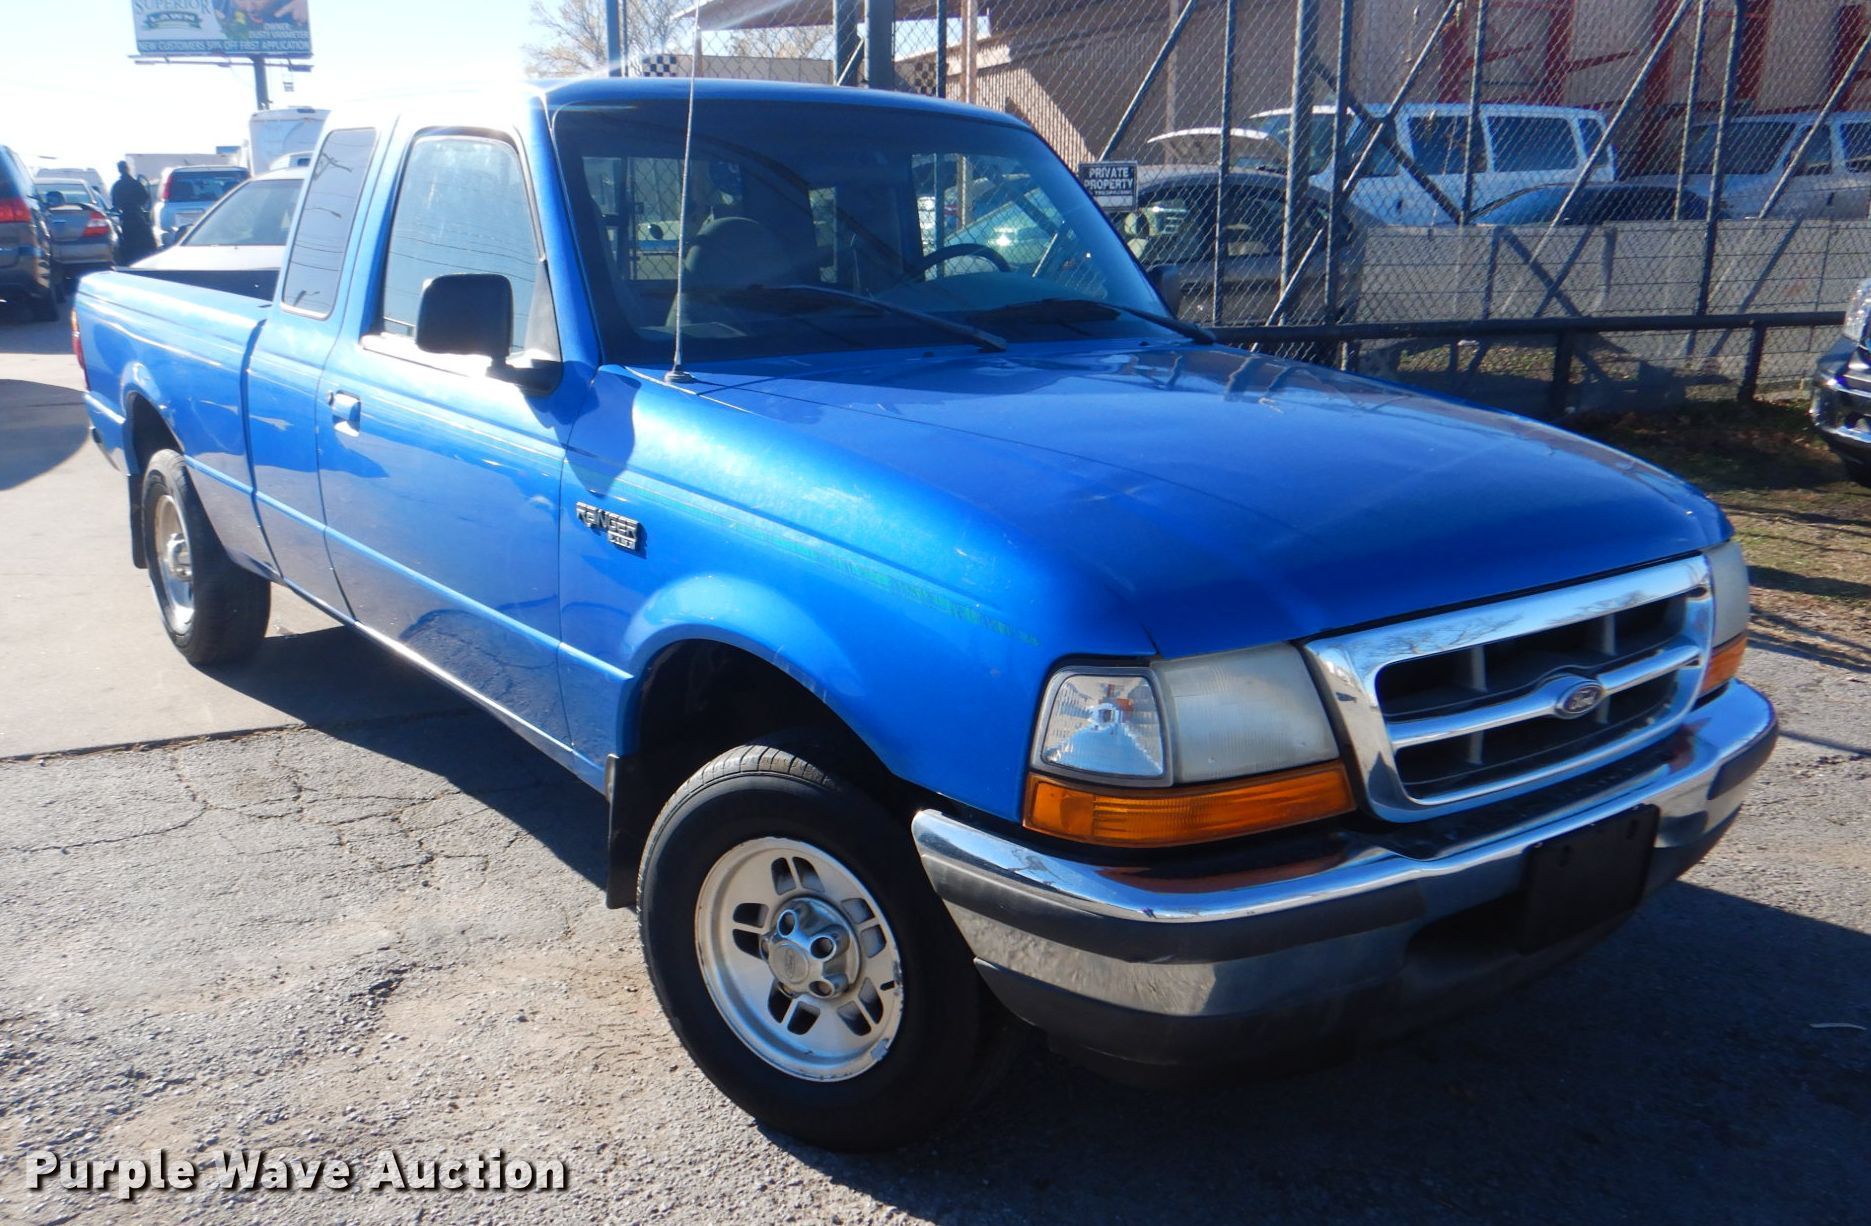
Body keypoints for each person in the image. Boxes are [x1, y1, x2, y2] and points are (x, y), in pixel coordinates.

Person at [110, 161, 156, 264]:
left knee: (127, 241)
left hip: (126, 217)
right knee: (146, 239)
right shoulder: (135, 184)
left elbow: (115, 203)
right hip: (137, 215)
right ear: (127, 168)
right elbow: (145, 197)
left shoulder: (117, 185)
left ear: (119, 170)